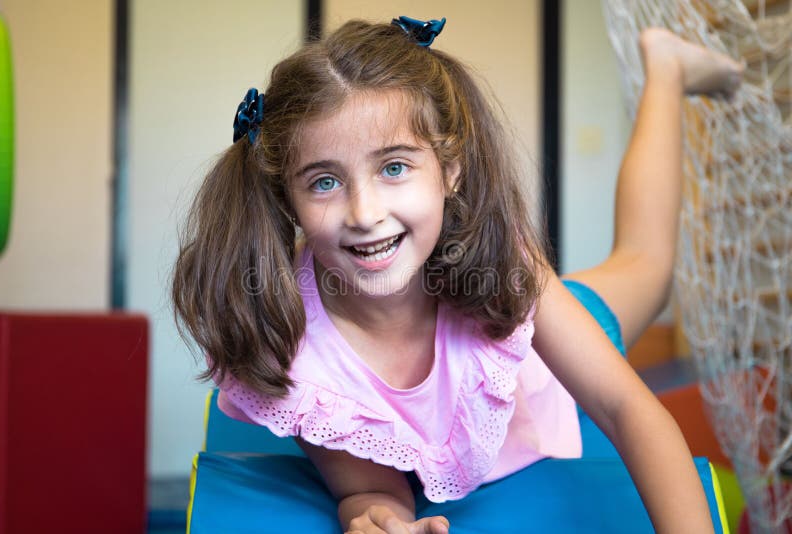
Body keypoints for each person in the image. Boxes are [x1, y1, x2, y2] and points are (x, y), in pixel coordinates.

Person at [172, 17, 743, 534]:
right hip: (487, 307)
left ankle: (665, 69)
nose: (364, 213)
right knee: (640, 263)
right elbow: (368, 485)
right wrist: (378, 521)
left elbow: (627, 409)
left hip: (532, 330)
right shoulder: (292, 347)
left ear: (450, 170)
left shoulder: (507, 269)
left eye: (394, 167)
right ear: (287, 201)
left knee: (645, 263)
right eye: (324, 182)